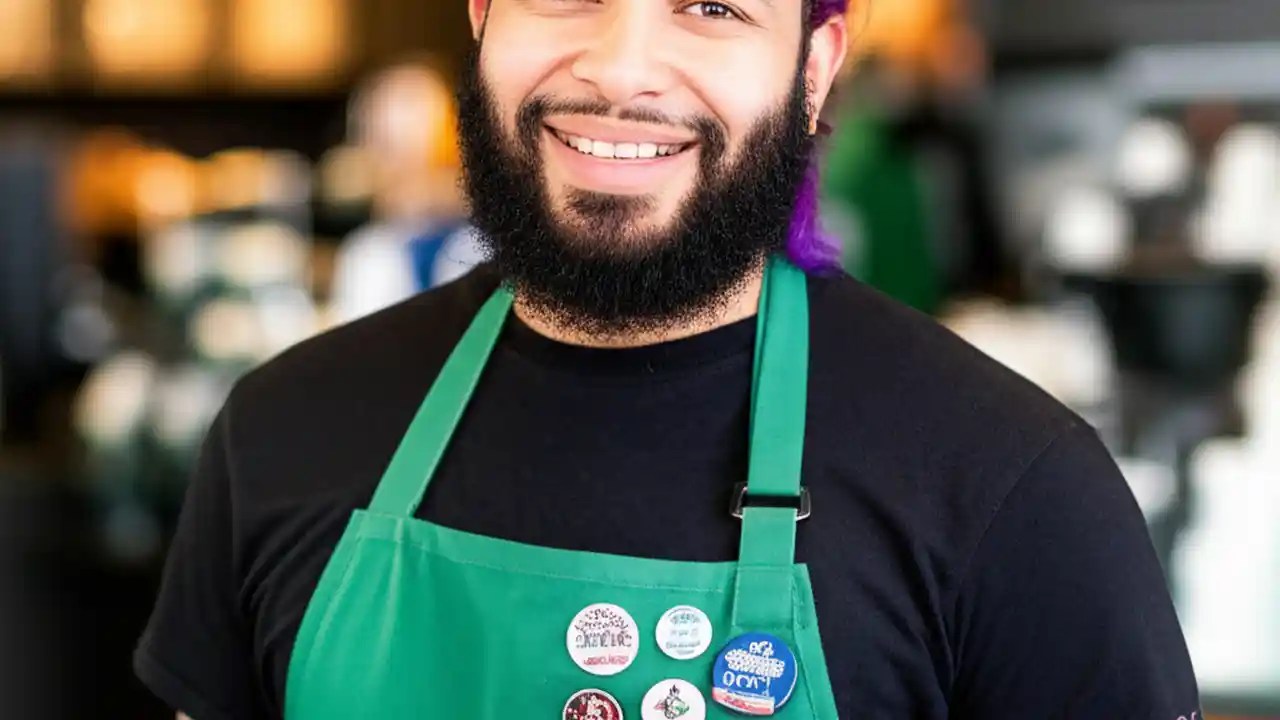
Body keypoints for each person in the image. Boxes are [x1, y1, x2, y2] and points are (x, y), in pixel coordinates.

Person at [135, 0, 1202, 718]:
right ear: (479, 17)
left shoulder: (1011, 490)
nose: (619, 67)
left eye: (710, 3)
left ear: (813, 66)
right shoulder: (284, 429)